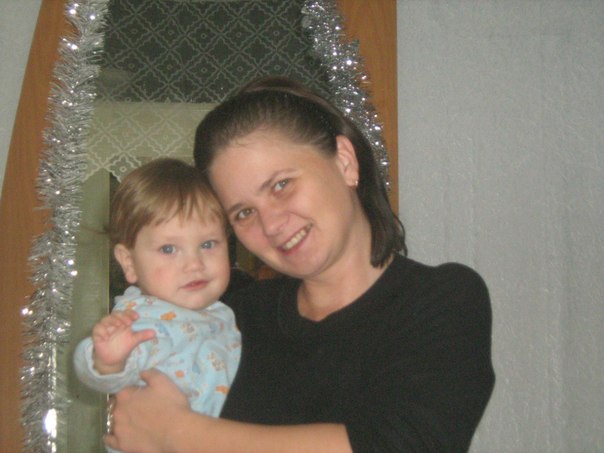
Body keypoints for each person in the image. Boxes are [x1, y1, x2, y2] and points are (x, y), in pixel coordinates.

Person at [105, 77, 495, 453]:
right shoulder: (230, 318)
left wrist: (179, 434)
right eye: (243, 213)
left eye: (281, 185)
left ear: (345, 162)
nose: (271, 225)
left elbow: (407, 446)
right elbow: (134, 414)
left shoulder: (439, 299)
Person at [73, 158, 241, 451]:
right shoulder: (143, 318)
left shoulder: (220, 313)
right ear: (129, 262)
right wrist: (108, 361)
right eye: (168, 249)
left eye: (208, 244)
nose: (194, 264)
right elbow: (106, 371)